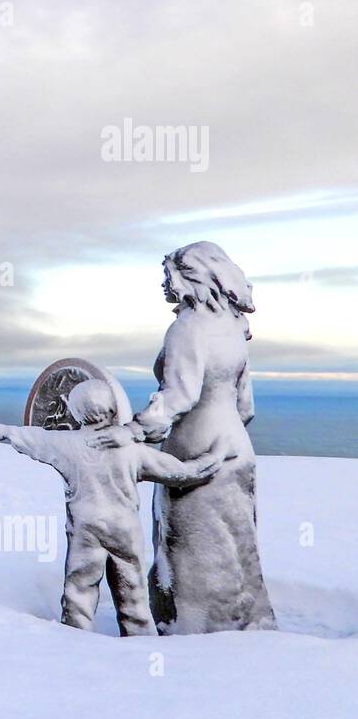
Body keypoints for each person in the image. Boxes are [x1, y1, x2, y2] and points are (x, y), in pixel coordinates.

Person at [85, 242, 276, 633]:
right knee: (237, 547)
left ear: (192, 275)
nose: (163, 284)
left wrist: (136, 430)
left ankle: (191, 630)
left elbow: (178, 396)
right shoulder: (236, 326)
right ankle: (241, 625)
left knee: (189, 551)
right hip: (237, 448)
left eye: (167, 275)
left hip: (193, 451)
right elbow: (246, 405)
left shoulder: (187, 328)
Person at [0, 380, 233, 636]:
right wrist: (214, 458)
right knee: (133, 593)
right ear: (112, 409)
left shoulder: (66, 444)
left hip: (86, 528)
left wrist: (4, 431)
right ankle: (140, 640)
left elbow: (34, 439)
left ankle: (74, 637)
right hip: (124, 530)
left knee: (79, 590)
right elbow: (181, 473)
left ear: (76, 411)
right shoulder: (132, 451)